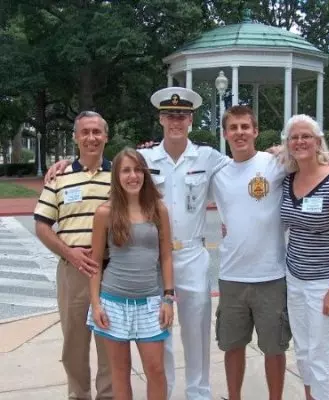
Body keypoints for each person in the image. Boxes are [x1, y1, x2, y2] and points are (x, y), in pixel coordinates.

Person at [44, 87, 229, 400]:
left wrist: (281, 153)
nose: (176, 121)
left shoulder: (208, 157)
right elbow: (112, 170)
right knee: (161, 337)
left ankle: (199, 393)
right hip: (153, 261)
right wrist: (65, 164)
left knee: (197, 333)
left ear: (191, 120)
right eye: (170, 115)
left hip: (192, 255)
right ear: (160, 118)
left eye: (182, 115)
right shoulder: (145, 158)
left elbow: (245, 164)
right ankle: (165, 393)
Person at [210, 105, 329, 400]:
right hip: (233, 276)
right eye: (233, 128)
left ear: (255, 130)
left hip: (274, 276)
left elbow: (314, 164)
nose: (239, 133)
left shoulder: (275, 164)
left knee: (276, 348)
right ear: (225, 133)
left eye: (245, 127)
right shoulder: (217, 172)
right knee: (234, 346)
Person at [34, 111, 113, 400]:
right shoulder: (59, 177)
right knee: (74, 345)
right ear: (76, 137)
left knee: (110, 343)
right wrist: (70, 253)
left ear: (106, 136)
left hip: (112, 272)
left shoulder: (119, 175)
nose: (91, 138)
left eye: (97, 132)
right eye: (85, 132)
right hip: (73, 273)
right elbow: (42, 225)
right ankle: (78, 395)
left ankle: (109, 395)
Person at [86, 148, 174, 400]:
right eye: (126, 170)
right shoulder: (105, 212)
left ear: (145, 174)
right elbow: (95, 263)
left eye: (137, 170)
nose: (132, 176)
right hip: (113, 302)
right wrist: (96, 304)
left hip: (149, 302)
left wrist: (168, 298)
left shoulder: (158, 209)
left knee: (156, 370)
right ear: (117, 176)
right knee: (120, 371)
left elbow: (166, 256)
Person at [280, 114, 329, 400]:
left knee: (321, 356)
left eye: (306, 136)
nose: (300, 141)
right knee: (302, 351)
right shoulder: (288, 180)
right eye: (294, 137)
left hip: (325, 282)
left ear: (318, 141)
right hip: (295, 279)